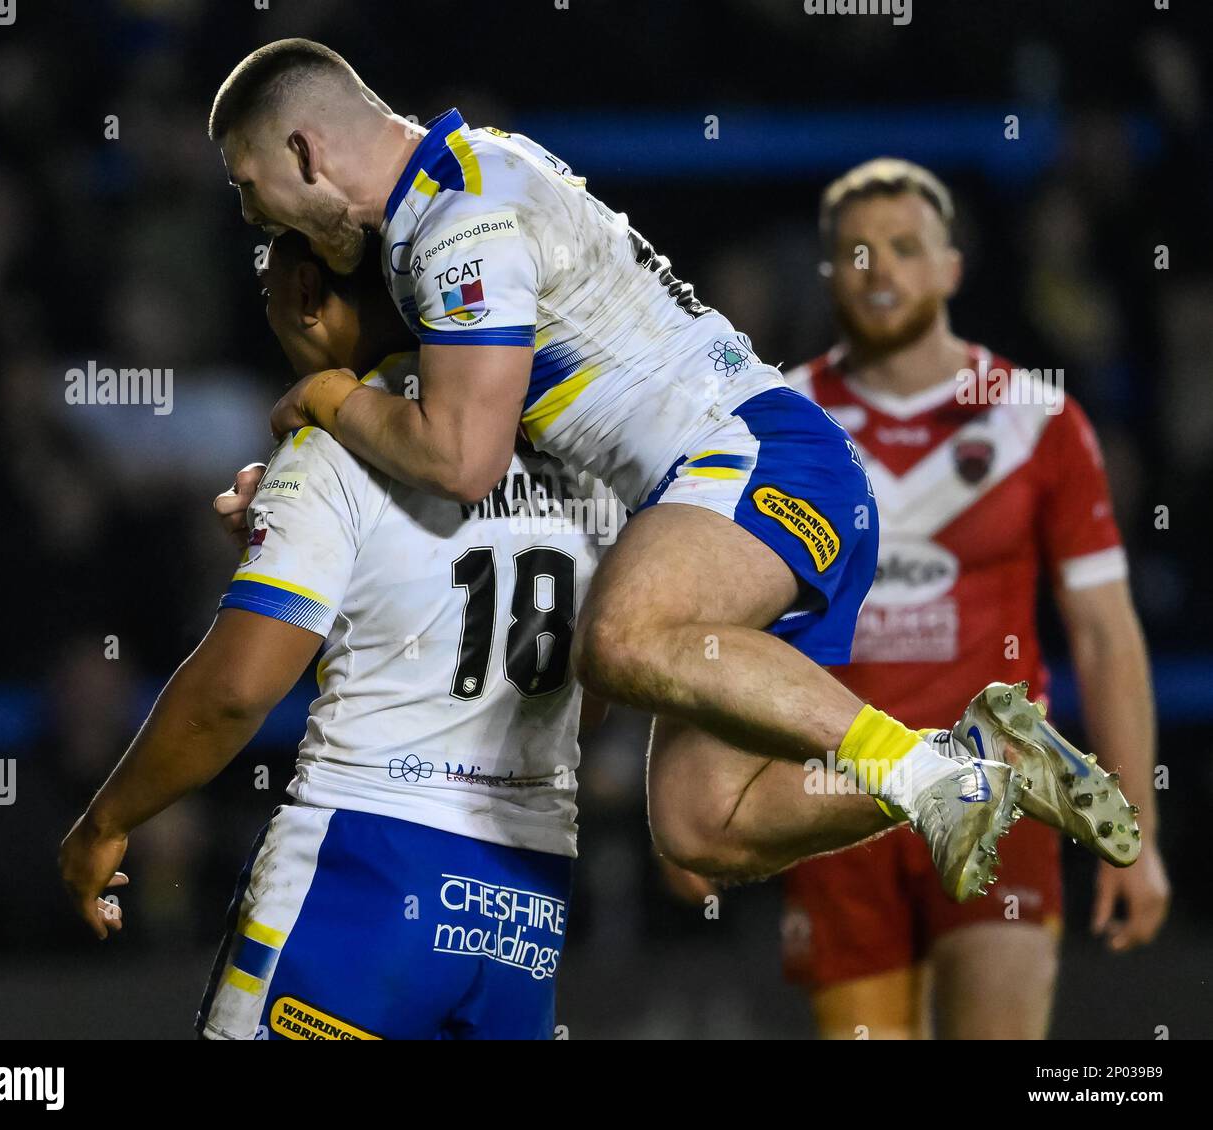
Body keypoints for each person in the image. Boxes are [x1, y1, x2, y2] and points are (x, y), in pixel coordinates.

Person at [204, 38, 1141, 904]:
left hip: (753, 460)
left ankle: (921, 774)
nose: (253, 218)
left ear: (304, 151)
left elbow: (458, 457)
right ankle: (980, 763)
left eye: (250, 188)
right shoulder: (461, 185)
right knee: (702, 825)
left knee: (619, 639)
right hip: (742, 482)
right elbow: (481, 444)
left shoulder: (455, 227)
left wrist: (326, 398)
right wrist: (303, 482)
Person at [61, 231, 610, 1039]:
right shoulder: (580, 457)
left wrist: (103, 824)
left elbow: (234, 693)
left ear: (309, 292)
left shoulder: (327, 451)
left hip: (362, 880)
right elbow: (582, 702)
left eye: (270, 284)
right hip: (522, 903)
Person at [778, 159, 1169, 1039]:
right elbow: (725, 619)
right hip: (837, 797)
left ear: (953, 268)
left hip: (1002, 794)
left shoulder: (1037, 419)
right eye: (857, 253)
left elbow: (1105, 635)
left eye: (906, 249)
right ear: (829, 271)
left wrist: (1136, 832)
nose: (880, 273)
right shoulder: (779, 418)